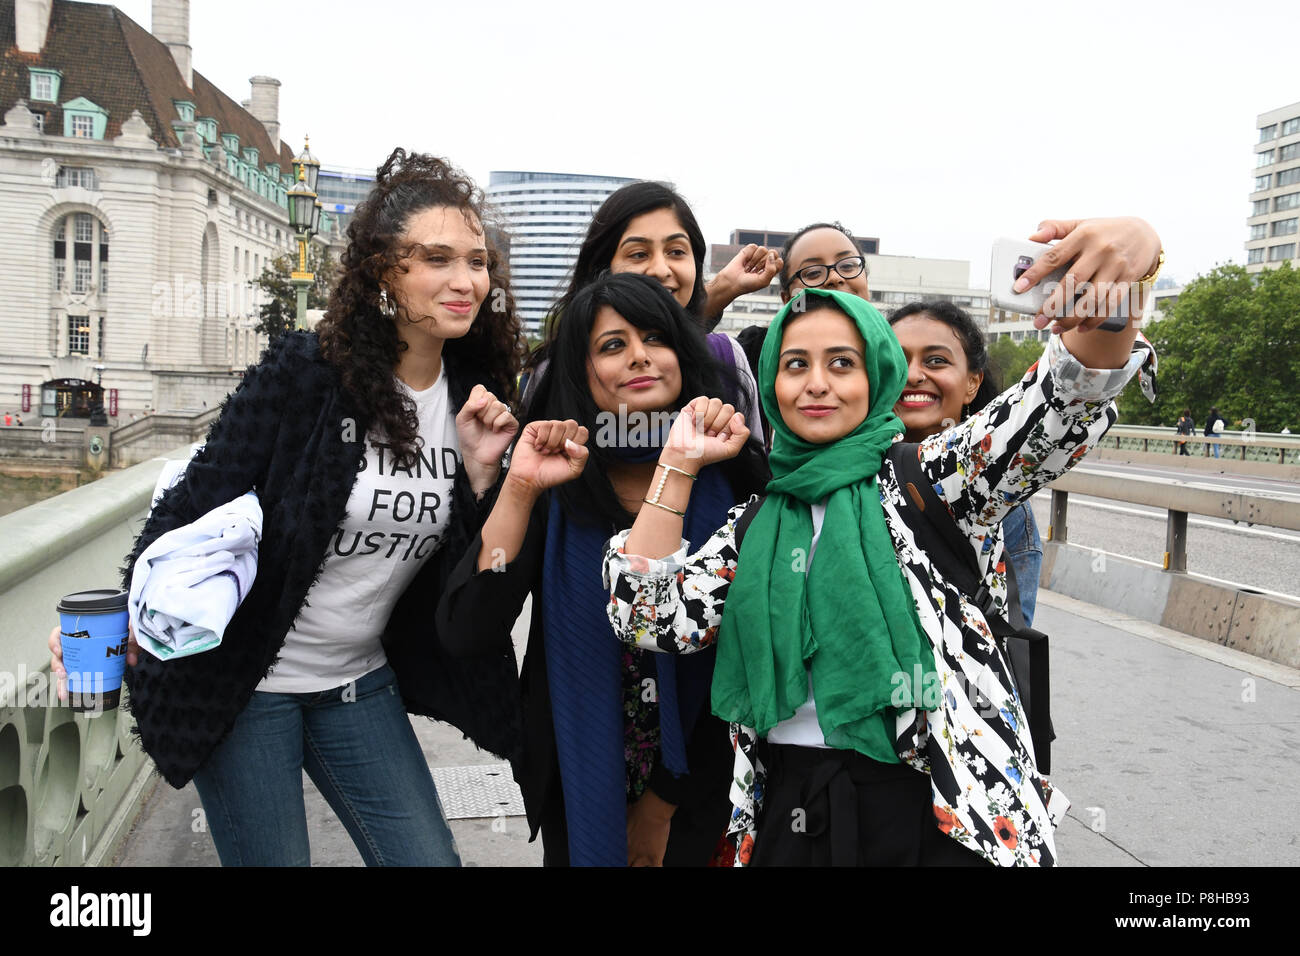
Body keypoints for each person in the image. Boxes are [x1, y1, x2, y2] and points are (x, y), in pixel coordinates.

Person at [50, 148, 526, 866]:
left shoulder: (476, 397)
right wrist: (123, 616)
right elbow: (195, 502)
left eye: (478, 261)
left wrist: (482, 480)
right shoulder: (307, 375)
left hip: (358, 679)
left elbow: (461, 574)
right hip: (248, 683)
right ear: (382, 272)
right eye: (437, 259)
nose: (466, 281)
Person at [602, 276, 1157, 867]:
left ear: (876, 377)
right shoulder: (757, 522)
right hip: (791, 810)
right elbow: (648, 617)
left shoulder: (936, 480)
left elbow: (1058, 406)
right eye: (795, 364)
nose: (817, 383)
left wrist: (1119, 281)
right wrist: (678, 462)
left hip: (933, 810)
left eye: (842, 363)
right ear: (772, 385)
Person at [436, 271, 769, 866]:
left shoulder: (737, 473)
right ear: (581, 373)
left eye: (655, 338)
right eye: (613, 345)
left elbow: (747, 658)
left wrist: (661, 805)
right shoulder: (559, 479)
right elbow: (467, 629)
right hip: (581, 783)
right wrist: (519, 488)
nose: (639, 355)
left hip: (708, 788)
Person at [521, 181, 773, 435]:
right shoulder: (552, 374)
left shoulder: (728, 359)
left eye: (676, 251)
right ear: (601, 268)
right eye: (639, 254)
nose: (661, 270)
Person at [887, 299, 1043, 626]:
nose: (913, 375)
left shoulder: (1002, 502)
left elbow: (1009, 635)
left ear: (972, 383)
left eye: (936, 361)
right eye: (897, 360)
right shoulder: (850, 475)